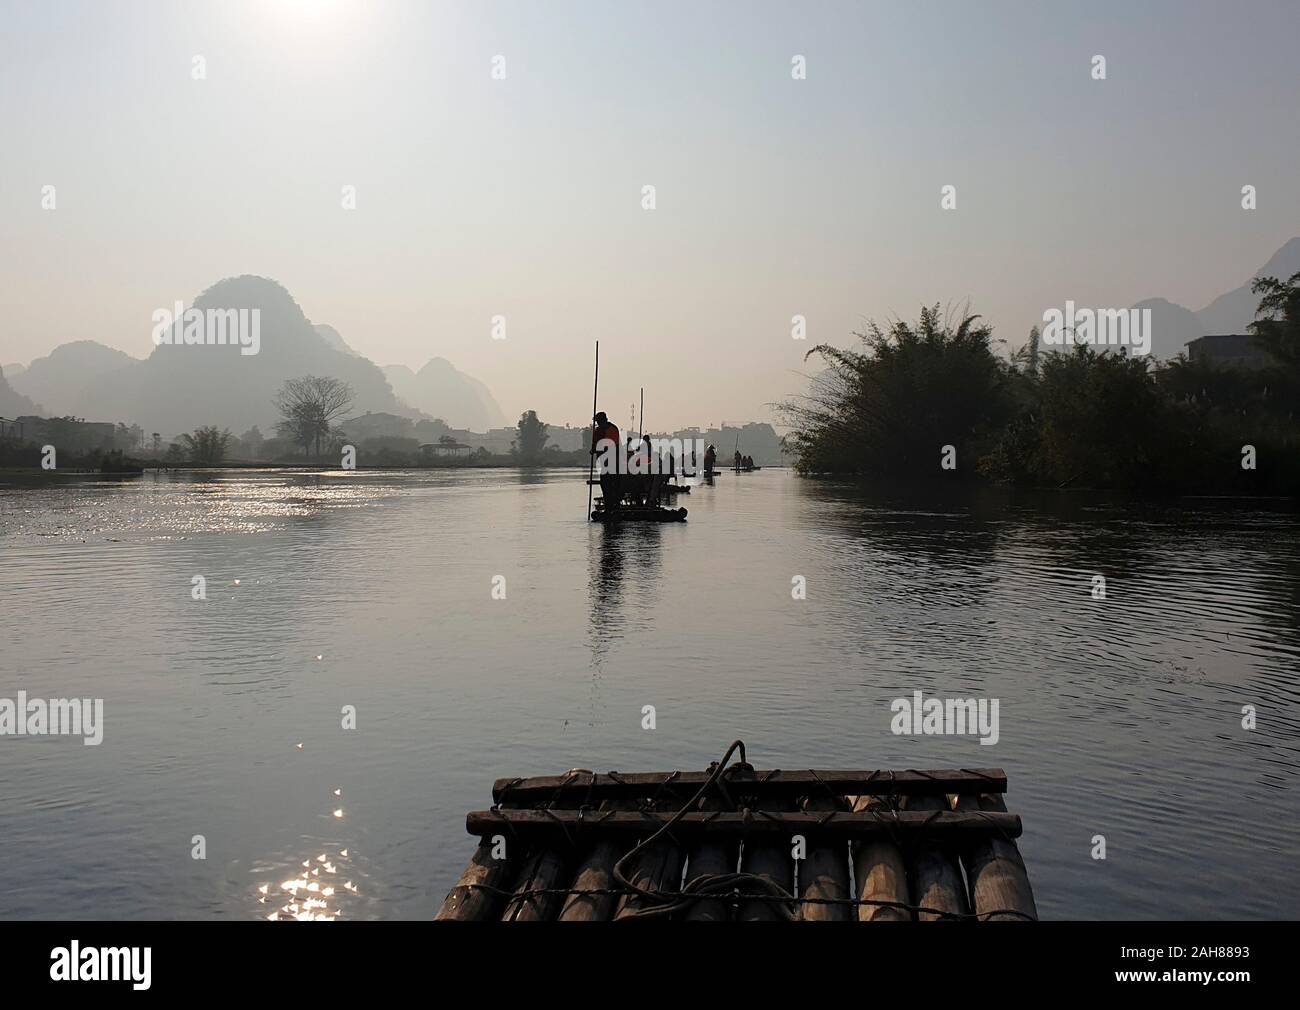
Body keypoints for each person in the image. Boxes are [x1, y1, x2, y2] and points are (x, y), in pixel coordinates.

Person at [591, 411, 622, 511]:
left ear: (603, 420)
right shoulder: (597, 431)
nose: (598, 424)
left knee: (614, 485)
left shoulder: (612, 429)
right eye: (597, 422)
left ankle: (615, 506)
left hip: (613, 462)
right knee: (605, 485)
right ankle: (608, 506)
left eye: (599, 421)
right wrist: (593, 449)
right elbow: (595, 444)